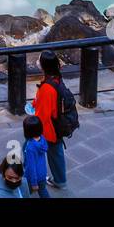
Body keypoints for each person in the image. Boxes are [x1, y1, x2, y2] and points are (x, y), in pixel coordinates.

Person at [30, 49, 69, 188]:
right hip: (57, 124)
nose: (37, 62)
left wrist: (34, 129)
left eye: (39, 60)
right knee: (56, 153)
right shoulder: (56, 78)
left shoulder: (47, 87)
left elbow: (43, 115)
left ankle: (57, 180)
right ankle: (59, 179)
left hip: (49, 129)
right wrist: (35, 102)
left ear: (44, 65)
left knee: (49, 154)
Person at [22, 115, 50, 198]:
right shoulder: (42, 139)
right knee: (43, 191)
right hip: (42, 174)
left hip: (33, 177)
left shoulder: (30, 148)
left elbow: (32, 167)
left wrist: (34, 183)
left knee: (25, 192)